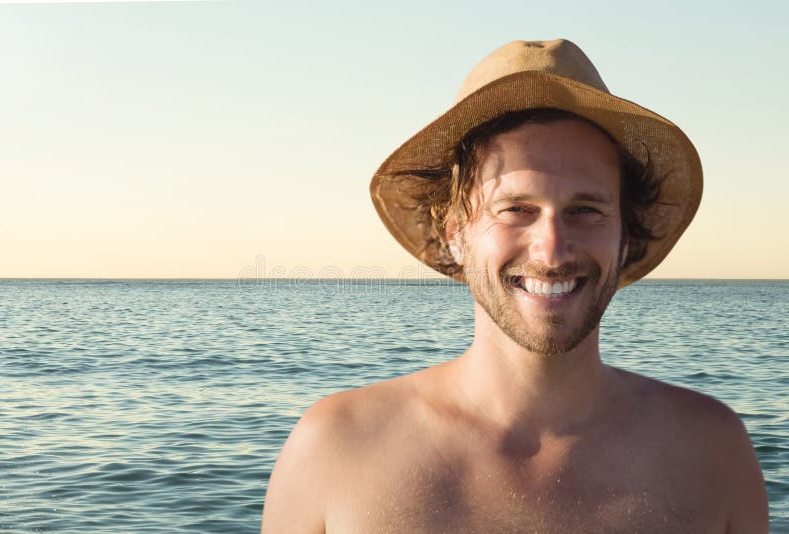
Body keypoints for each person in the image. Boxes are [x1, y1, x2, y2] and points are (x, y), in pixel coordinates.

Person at [262, 39, 769, 533]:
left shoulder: (711, 453)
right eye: (516, 210)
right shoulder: (336, 449)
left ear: (626, 234)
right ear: (454, 232)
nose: (551, 251)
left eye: (585, 210)